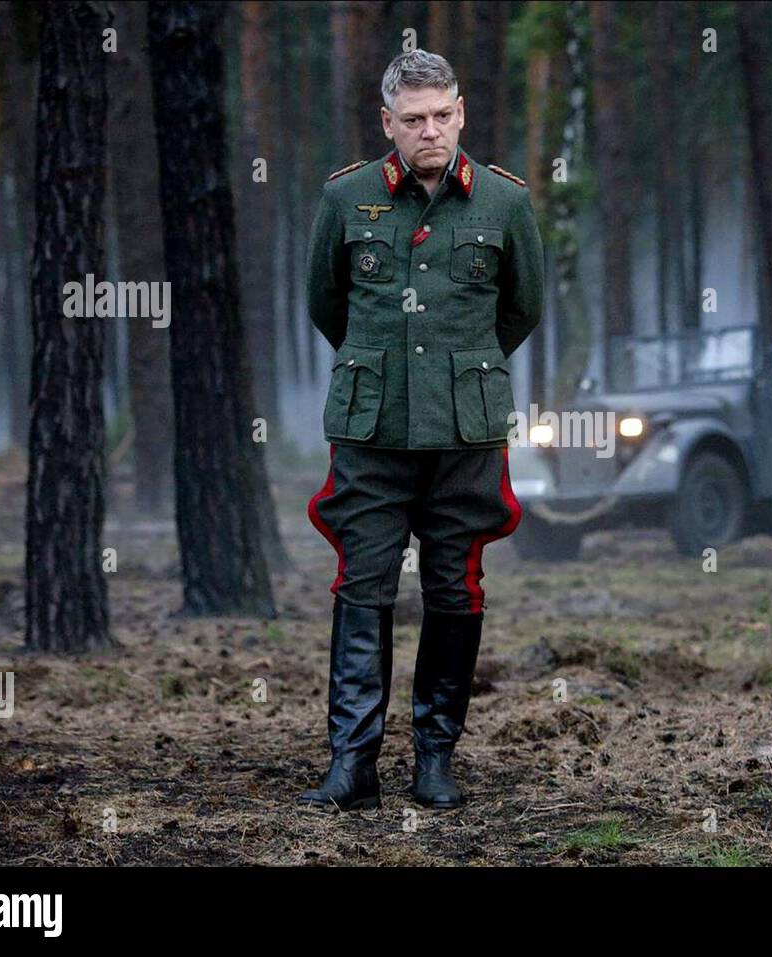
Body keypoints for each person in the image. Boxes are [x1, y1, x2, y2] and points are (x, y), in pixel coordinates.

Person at [300, 49, 544, 811]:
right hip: (371, 436)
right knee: (362, 585)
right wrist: (390, 372)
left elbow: (521, 308)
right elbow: (326, 305)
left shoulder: (502, 203)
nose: (430, 131)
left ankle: (435, 756)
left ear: (461, 112)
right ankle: (352, 762)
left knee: (454, 588)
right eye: (414, 120)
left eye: (442, 116)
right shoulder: (348, 198)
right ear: (388, 124)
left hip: (465, 439)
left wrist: (458, 371)